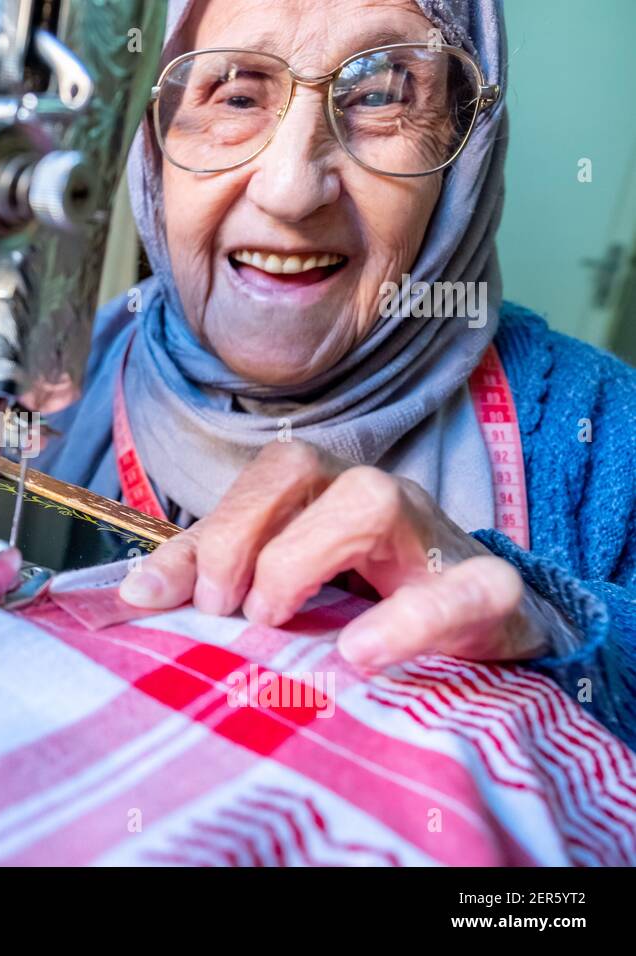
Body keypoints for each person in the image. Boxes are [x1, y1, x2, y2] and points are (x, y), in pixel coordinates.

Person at [37, 0, 635, 747]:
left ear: (466, 150)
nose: (290, 190)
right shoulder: (69, 371)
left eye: (382, 92)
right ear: (156, 136)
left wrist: (549, 624)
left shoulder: (603, 428)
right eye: (236, 93)